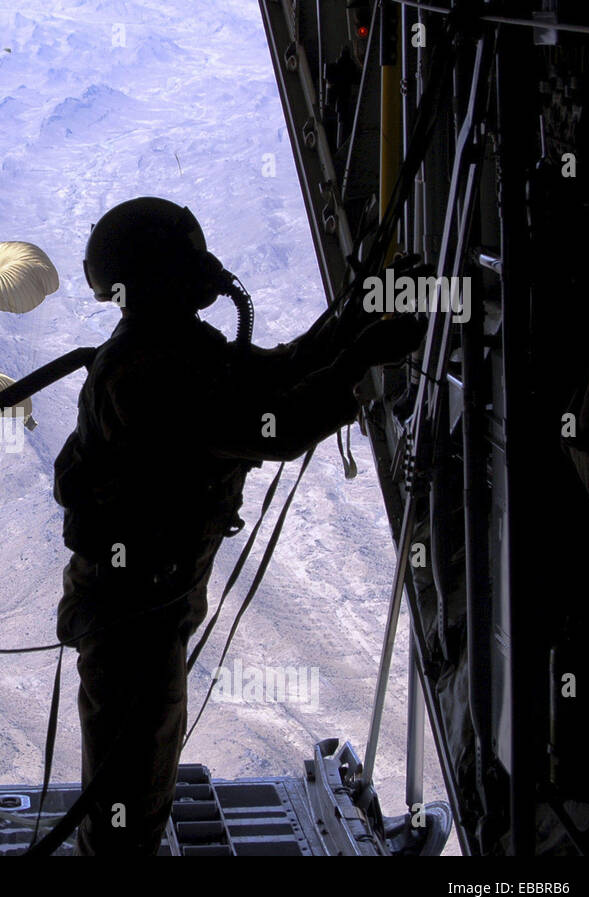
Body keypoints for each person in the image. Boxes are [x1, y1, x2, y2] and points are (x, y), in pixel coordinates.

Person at [54, 197, 426, 855]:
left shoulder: (174, 346)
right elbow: (270, 428)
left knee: (141, 777)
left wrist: (354, 321)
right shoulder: (147, 372)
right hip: (130, 621)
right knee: (127, 805)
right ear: (166, 274)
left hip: (148, 606)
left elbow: (272, 375)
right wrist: (357, 358)